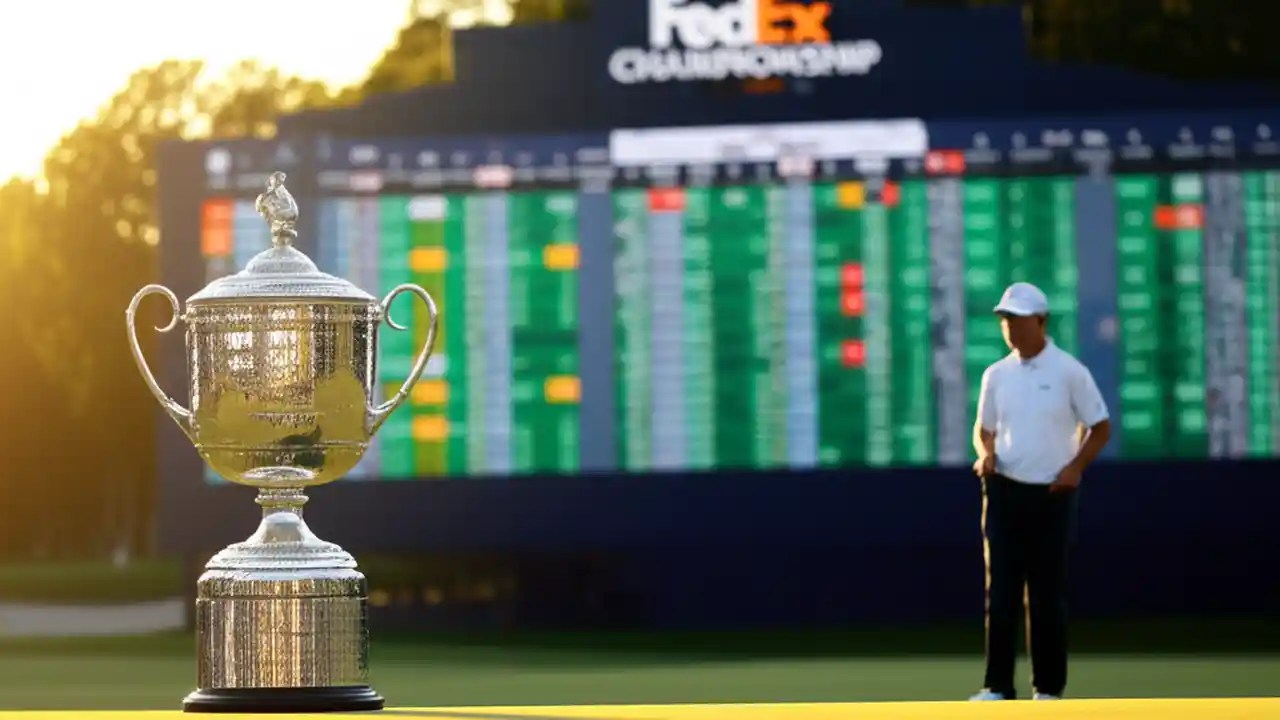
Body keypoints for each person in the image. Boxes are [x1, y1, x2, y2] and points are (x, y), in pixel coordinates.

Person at [968, 282, 1112, 701]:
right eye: (1005, 321)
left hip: (1051, 493)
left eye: (1018, 320)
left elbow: (1100, 426)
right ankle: (997, 686)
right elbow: (984, 429)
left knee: (1047, 594)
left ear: (1041, 321)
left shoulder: (1068, 371)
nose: (1010, 328)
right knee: (1001, 593)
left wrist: (1074, 469)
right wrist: (986, 454)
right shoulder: (996, 375)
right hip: (1004, 490)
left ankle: (1048, 689)